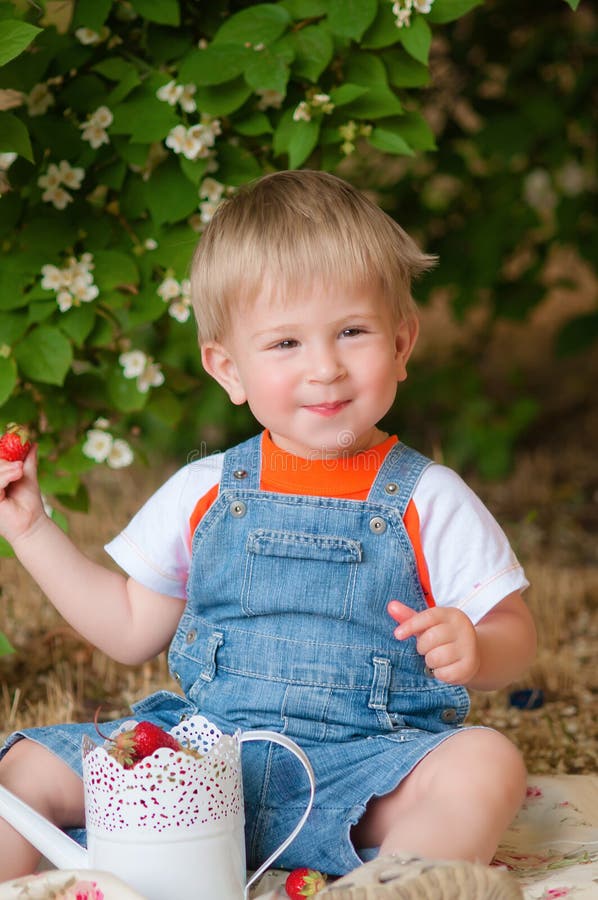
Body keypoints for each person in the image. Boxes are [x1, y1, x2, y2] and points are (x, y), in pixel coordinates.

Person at [0, 170, 536, 899]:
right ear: (229, 368)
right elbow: (128, 629)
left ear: (403, 342)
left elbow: (514, 632)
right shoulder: (207, 490)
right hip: (202, 762)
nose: (325, 367)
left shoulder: (427, 497)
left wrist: (477, 648)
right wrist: (32, 531)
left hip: (367, 771)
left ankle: (401, 882)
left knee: (485, 763)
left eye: (352, 331)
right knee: (22, 771)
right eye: (285, 342)